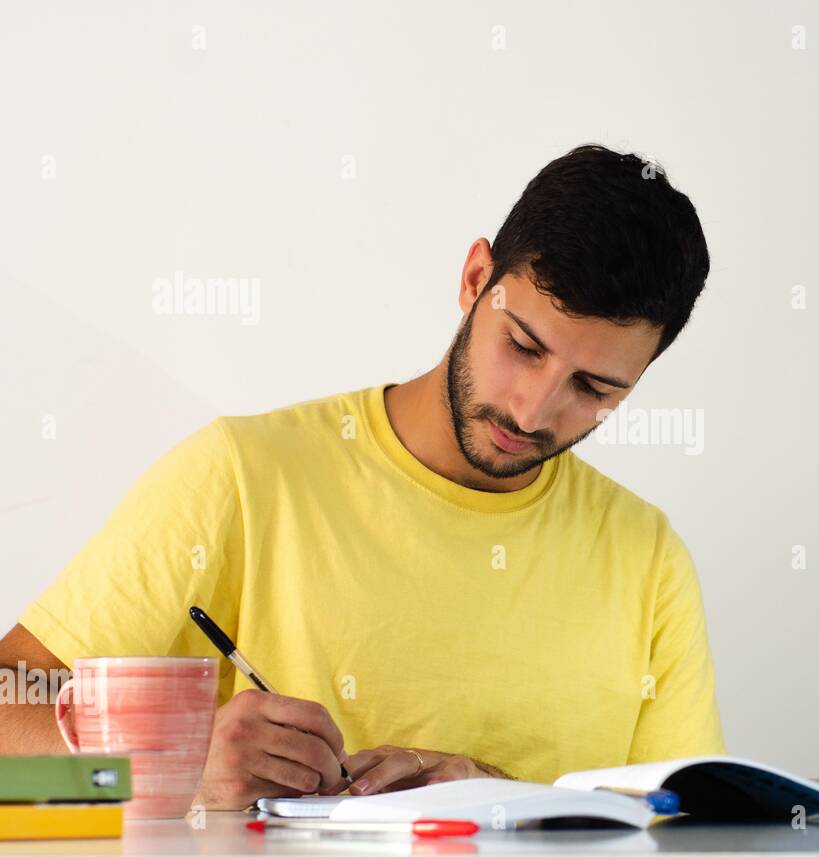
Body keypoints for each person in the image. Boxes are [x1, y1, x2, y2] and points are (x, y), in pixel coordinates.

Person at [0, 143, 726, 810]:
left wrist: (504, 800)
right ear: (476, 279)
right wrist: (172, 766)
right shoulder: (242, 477)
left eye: (592, 388)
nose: (532, 410)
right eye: (523, 346)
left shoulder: (648, 557)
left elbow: (689, 829)